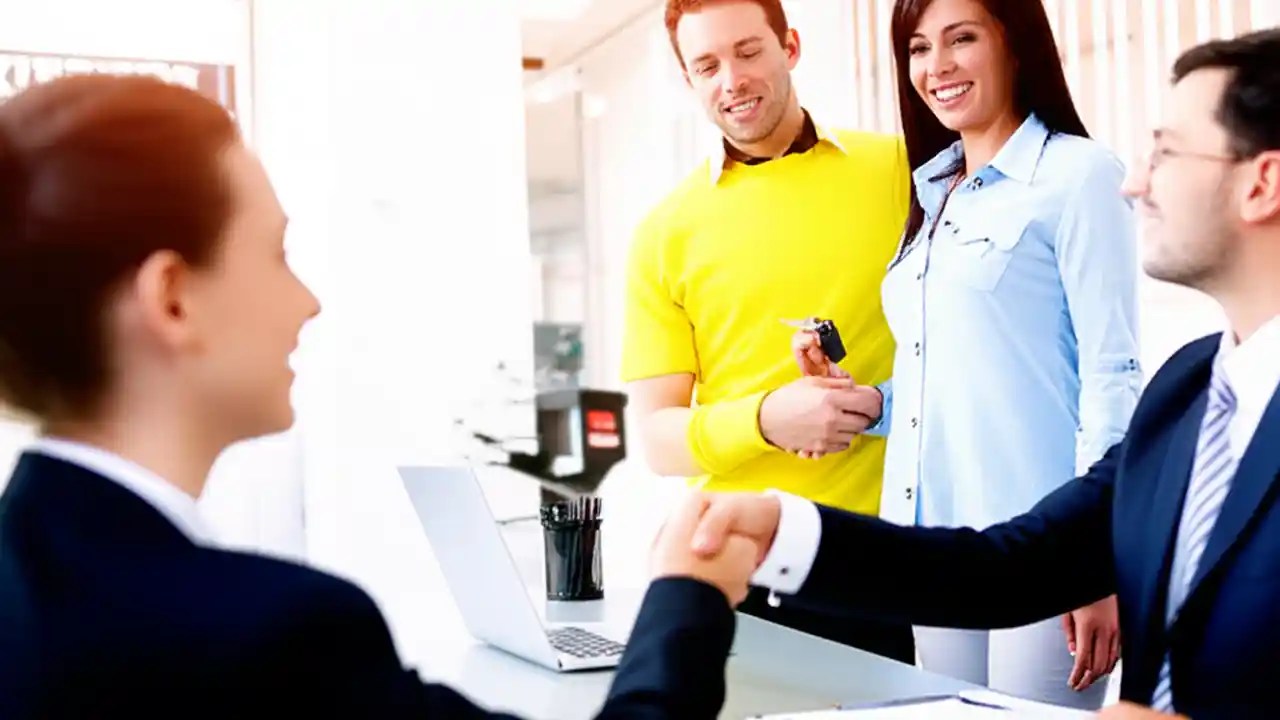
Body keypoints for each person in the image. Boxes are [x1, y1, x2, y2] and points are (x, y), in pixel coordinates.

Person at [0, 74, 762, 719]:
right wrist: (687, 595)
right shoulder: (278, 636)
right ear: (172, 300)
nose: (308, 302)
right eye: (275, 254)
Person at [687, 28, 1280, 719]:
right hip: (943, 512)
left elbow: (1102, 371)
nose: (1136, 181)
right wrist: (780, 529)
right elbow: (1006, 567)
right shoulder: (1187, 392)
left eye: (1168, 153)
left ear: (1262, 183)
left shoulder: (1072, 176)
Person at [788, 0, 1139, 706]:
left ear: (1016, 46)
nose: (936, 66)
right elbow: (958, 371)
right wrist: (868, 404)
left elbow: (1113, 374)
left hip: (1039, 542)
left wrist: (1093, 559)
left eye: (961, 39)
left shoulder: (1078, 177)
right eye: (918, 48)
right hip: (934, 542)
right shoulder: (933, 196)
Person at [620, 0, 914, 662]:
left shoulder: (902, 173)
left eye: (749, 52)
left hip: (875, 555)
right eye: (707, 65)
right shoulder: (663, 235)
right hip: (734, 565)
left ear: (791, 46)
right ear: (689, 79)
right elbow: (659, 440)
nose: (732, 80)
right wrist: (766, 419)